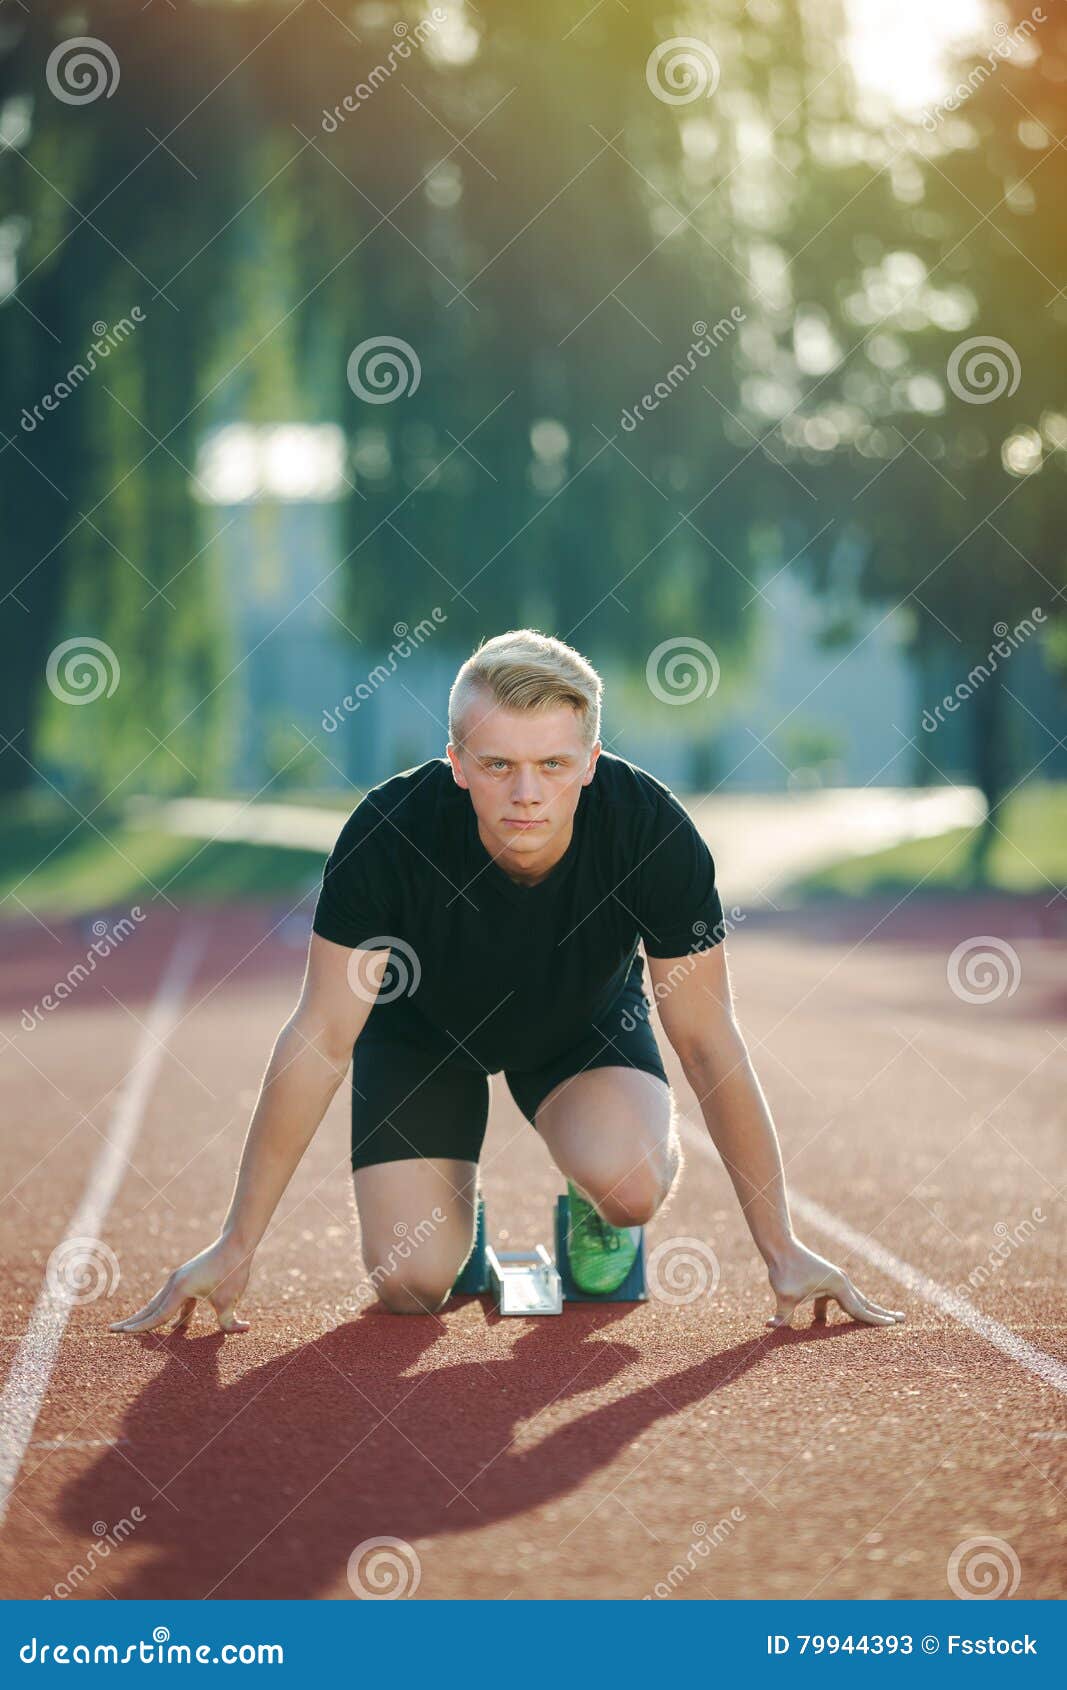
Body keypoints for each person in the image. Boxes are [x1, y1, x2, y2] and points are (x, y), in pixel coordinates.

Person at [111, 630, 904, 1334]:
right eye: (497, 765)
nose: (526, 794)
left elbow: (704, 1038)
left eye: (554, 765)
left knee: (629, 1186)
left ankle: (594, 1215)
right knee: (411, 1287)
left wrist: (781, 1248)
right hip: (423, 1038)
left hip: (579, 1029)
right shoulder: (388, 836)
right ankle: (461, 1227)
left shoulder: (650, 831)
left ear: (591, 762)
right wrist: (237, 1242)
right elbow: (320, 1035)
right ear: (456, 763)